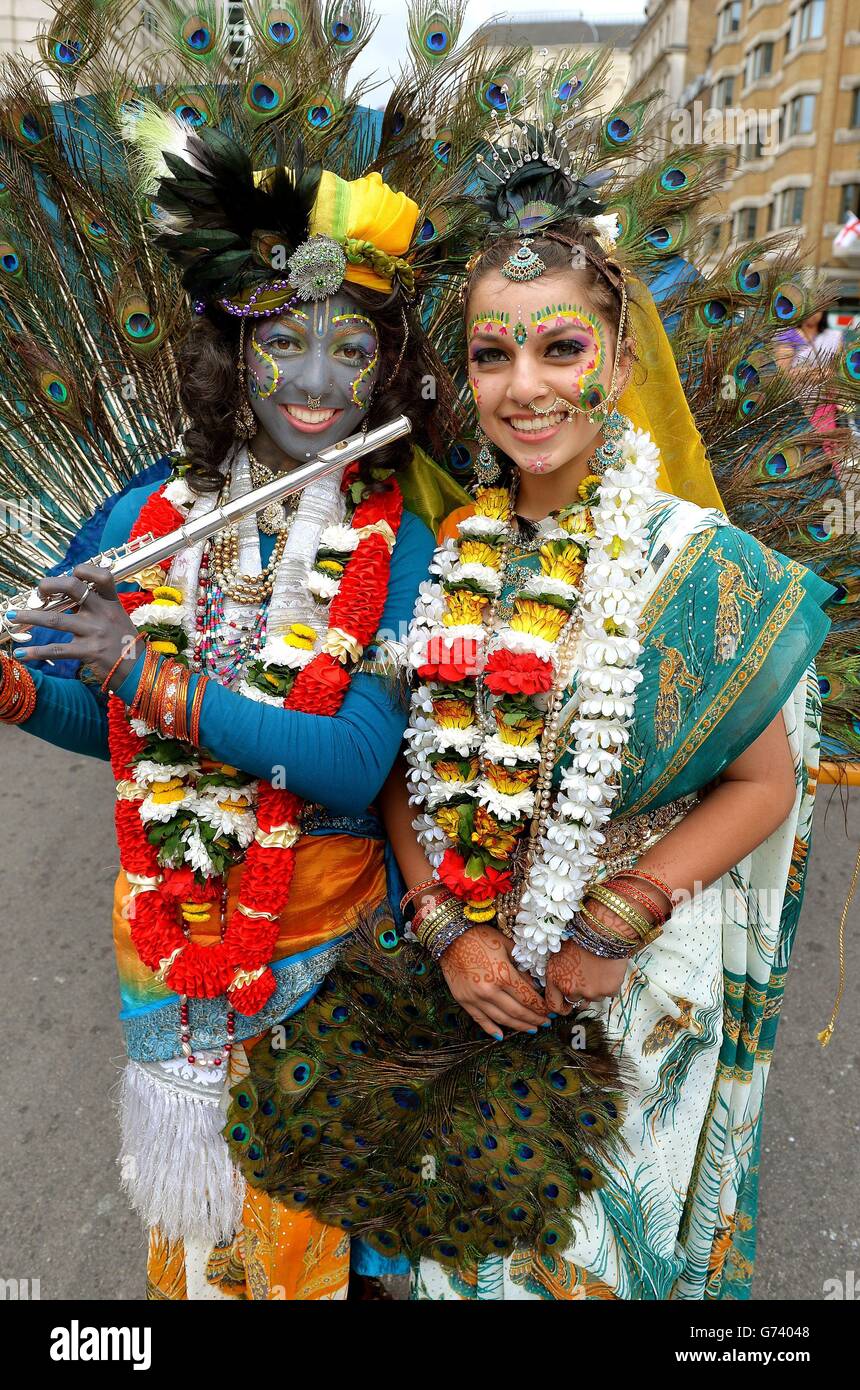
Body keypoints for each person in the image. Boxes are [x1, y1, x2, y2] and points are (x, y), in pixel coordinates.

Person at [225, 62, 858, 1299]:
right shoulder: (444, 552)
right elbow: (406, 761)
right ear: (465, 371)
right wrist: (447, 927)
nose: (526, 387)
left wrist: (615, 924)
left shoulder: (702, 564)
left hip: (626, 980)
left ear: (616, 360)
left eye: (559, 348)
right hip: (467, 975)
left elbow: (761, 777)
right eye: (494, 354)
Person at [0, 3, 473, 1300]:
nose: (316, 375)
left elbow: (353, 752)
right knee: (201, 1274)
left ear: (387, 366)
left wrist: (144, 671)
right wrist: (23, 684)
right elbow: (111, 727)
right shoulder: (152, 514)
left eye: (351, 343)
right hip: (171, 960)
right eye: (285, 339)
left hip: (321, 965)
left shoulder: (403, 538)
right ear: (235, 348)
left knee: (316, 1268)